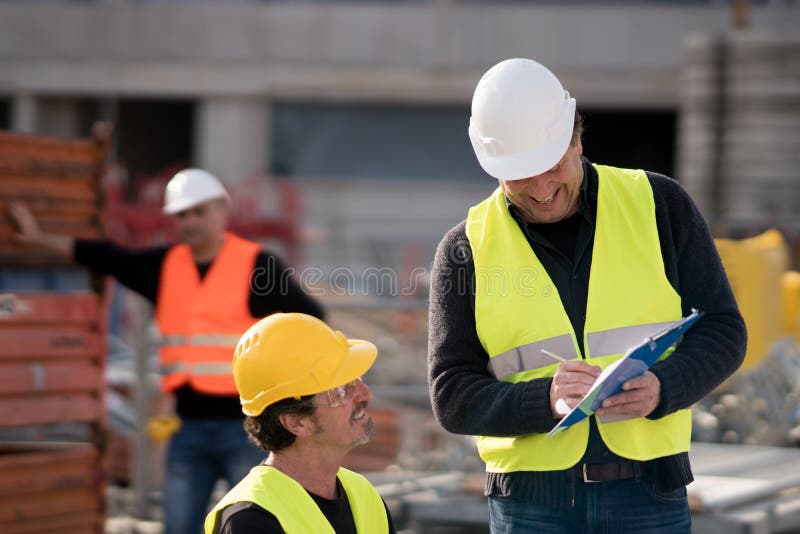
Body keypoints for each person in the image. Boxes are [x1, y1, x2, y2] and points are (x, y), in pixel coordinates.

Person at [427, 58, 746, 533]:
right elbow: (451, 393)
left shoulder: (660, 205)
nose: (540, 189)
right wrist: (542, 400)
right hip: (529, 506)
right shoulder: (464, 249)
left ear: (577, 139)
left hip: (648, 493)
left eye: (552, 166)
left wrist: (664, 386)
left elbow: (723, 329)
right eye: (520, 176)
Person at [8, 168, 324, 534]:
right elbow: (108, 257)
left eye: (199, 211)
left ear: (223, 210)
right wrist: (40, 238)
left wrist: (291, 395)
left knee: (261, 526)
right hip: (187, 429)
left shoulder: (258, 265)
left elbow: (311, 320)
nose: (190, 222)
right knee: (178, 527)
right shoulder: (164, 267)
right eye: (182, 215)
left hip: (248, 429)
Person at [204, 312, 396, 534]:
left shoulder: (365, 496)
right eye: (341, 390)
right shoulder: (250, 521)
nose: (365, 394)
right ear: (296, 422)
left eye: (357, 381)